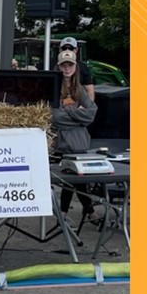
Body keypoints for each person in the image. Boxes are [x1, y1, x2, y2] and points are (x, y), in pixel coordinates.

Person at [52, 49, 99, 219]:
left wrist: (69, 111)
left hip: (79, 141)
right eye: (63, 65)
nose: (66, 68)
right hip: (64, 141)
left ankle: (65, 213)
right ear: (59, 67)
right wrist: (78, 115)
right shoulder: (55, 88)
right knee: (73, 177)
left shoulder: (80, 89)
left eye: (70, 65)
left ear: (75, 66)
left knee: (75, 177)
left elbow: (91, 113)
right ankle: (88, 212)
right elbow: (55, 117)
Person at [58, 36, 95, 102]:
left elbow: (89, 89)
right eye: (64, 48)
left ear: (76, 50)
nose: (67, 68)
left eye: (71, 48)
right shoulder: (52, 66)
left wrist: (86, 106)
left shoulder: (83, 68)